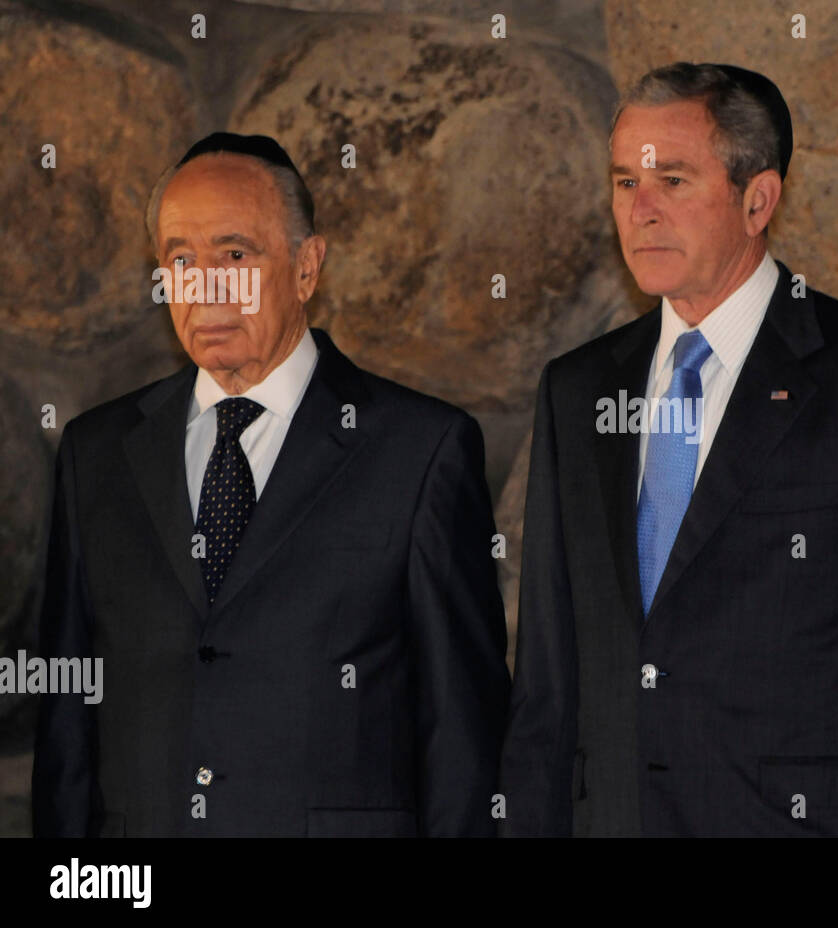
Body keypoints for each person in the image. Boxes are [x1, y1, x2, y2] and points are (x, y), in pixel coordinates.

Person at [500, 63, 838, 837]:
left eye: (674, 182)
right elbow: (549, 690)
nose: (641, 211)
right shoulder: (579, 390)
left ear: (758, 199)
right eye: (625, 182)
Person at [32, 132, 509, 837]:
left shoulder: (421, 450)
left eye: (235, 255)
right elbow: (67, 729)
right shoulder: (96, 454)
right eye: (182, 259)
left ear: (307, 266)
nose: (207, 287)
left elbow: (463, 737)